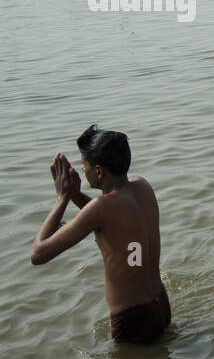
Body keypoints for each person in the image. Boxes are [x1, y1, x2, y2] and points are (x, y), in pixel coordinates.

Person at [30, 126, 171, 344]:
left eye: (84, 165)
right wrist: (76, 194)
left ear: (98, 171)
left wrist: (63, 198)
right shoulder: (142, 187)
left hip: (133, 320)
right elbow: (108, 220)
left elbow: (38, 254)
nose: (82, 171)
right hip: (160, 305)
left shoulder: (101, 208)